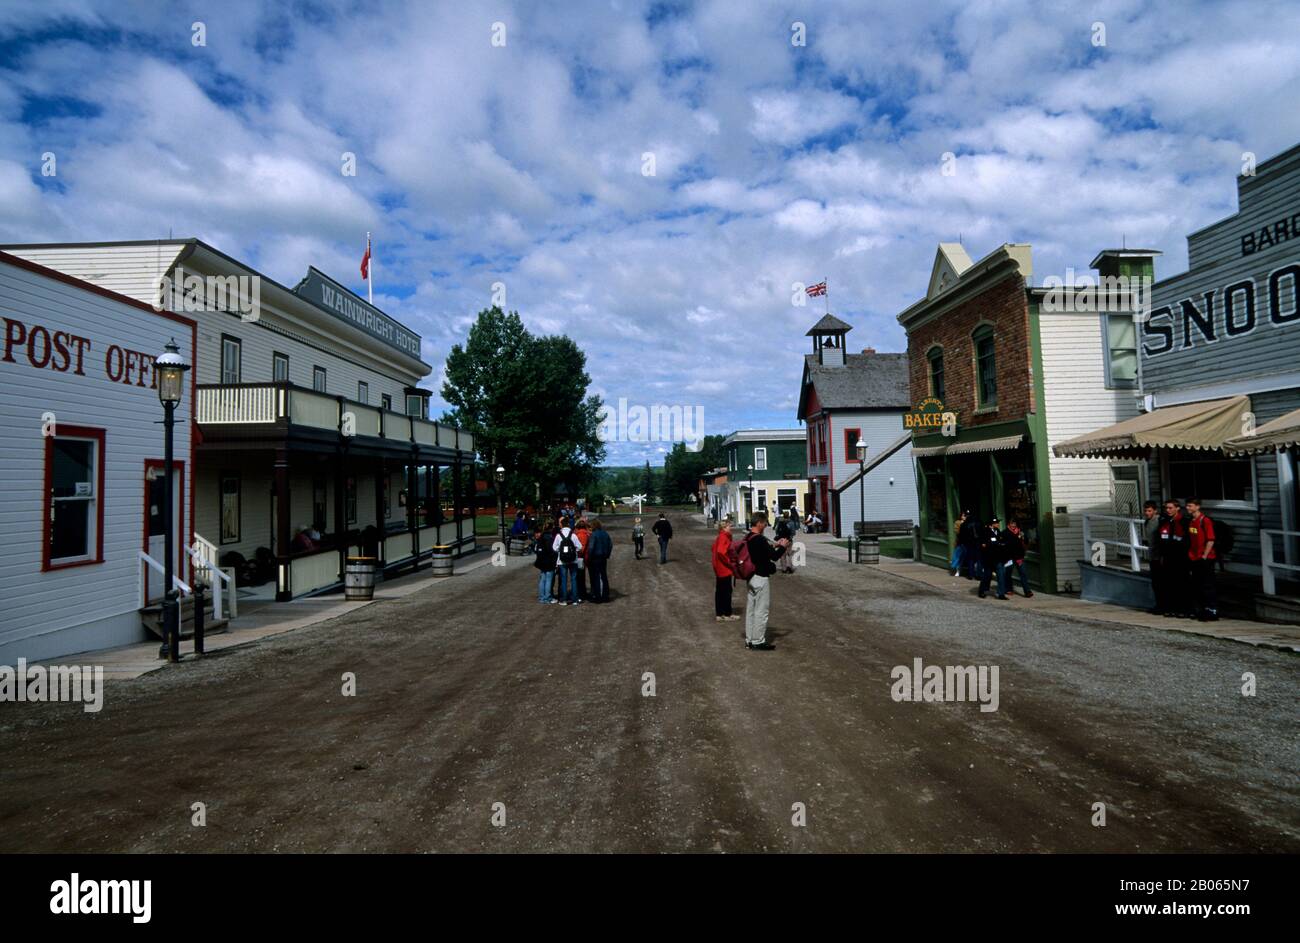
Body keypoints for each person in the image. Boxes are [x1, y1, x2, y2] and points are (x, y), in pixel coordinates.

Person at [741, 512, 786, 650]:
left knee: (751, 610)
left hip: (750, 577)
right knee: (761, 611)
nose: (766, 525)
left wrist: (774, 545)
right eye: (765, 522)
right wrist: (783, 546)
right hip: (760, 577)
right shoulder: (759, 539)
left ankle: (749, 639)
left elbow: (762, 552)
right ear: (759, 523)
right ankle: (758, 641)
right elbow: (773, 557)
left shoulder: (748, 537)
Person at [1154, 499, 1191, 618]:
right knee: (1169, 584)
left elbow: (1188, 541)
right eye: (1166, 508)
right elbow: (1159, 540)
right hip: (1167, 558)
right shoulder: (1164, 521)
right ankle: (1171, 608)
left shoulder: (1184, 521)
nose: (1168, 510)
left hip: (1181, 558)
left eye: (1170, 508)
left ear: (1177, 508)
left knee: (1182, 584)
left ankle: (1184, 609)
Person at [1185, 497, 1219, 621]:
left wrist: (1204, 555)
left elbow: (1210, 540)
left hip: (1205, 558)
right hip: (1194, 557)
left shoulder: (1205, 521)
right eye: (1187, 506)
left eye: (1190, 506)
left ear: (1197, 506)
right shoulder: (1191, 521)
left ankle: (1212, 610)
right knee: (1197, 584)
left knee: (1207, 585)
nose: (1188, 508)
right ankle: (1202, 609)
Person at [711, 519, 740, 622]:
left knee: (720, 591)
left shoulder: (720, 537)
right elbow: (720, 552)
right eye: (729, 526)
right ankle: (727, 613)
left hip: (719, 568)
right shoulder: (724, 537)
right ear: (724, 527)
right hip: (724, 569)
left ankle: (720, 613)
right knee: (726, 591)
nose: (730, 528)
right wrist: (729, 562)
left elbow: (714, 549)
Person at [552, 519, 583, 605]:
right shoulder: (573, 535)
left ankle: (564, 600)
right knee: (574, 579)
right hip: (573, 560)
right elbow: (580, 547)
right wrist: (573, 551)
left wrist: (561, 551)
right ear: (568, 525)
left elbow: (554, 548)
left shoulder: (558, 535)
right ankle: (575, 599)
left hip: (562, 561)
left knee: (564, 580)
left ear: (561, 525)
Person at [1002, 519, 1034, 597]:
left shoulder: (1020, 532)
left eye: (1014, 524)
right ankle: (1008, 589)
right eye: (1012, 524)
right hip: (1009, 557)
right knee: (1008, 573)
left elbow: (1026, 541)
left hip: (1019, 557)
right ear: (1008, 524)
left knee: (1023, 573)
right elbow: (1002, 545)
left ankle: (1027, 591)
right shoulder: (1004, 533)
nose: (1013, 525)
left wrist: (1023, 537)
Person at [977, 515, 1007, 599]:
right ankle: (982, 590)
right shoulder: (985, 532)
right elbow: (983, 545)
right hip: (989, 559)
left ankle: (1001, 593)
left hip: (998, 558)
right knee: (987, 575)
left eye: (997, 522)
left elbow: (1001, 542)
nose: (998, 524)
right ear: (991, 524)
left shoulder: (998, 531)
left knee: (1001, 575)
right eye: (996, 523)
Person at [1141, 500, 1163, 613]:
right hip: (1152, 556)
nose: (1147, 513)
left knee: (1161, 582)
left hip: (1159, 557)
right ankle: (1158, 605)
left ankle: (1164, 605)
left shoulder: (1159, 521)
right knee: (1155, 583)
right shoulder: (1147, 522)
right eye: (1145, 510)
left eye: (1149, 511)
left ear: (1155, 510)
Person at [587, 519, 613, 603]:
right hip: (603, 557)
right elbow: (610, 545)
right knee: (604, 576)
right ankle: (605, 596)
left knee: (596, 577)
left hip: (595, 558)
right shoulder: (605, 534)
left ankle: (597, 597)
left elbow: (591, 548)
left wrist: (589, 557)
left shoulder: (593, 535)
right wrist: (607, 554)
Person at [533, 525, 558, 604]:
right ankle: (548, 598)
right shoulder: (549, 538)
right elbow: (552, 551)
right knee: (548, 580)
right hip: (549, 562)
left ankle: (541, 597)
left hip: (541, 562)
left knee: (542, 580)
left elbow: (536, 550)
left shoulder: (539, 540)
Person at [958, 510, 982, 580]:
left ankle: (971, 574)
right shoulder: (979, 522)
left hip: (969, 544)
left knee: (970, 559)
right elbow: (983, 533)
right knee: (979, 559)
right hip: (978, 543)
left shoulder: (964, 524)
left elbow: (961, 536)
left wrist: (962, 543)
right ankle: (979, 574)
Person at [574, 518, 592, 600]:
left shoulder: (577, 534)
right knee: (582, 576)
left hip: (579, 557)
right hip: (585, 557)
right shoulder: (587, 534)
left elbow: (581, 548)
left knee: (580, 576)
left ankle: (581, 593)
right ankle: (583, 593)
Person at [950, 511, 968, 576]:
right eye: (963, 516)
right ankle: (957, 570)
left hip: (968, 542)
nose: (964, 517)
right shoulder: (958, 522)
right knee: (958, 556)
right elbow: (957, 531)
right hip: (960, 542)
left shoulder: (969, 522)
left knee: (965, 557)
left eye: (965, 516)